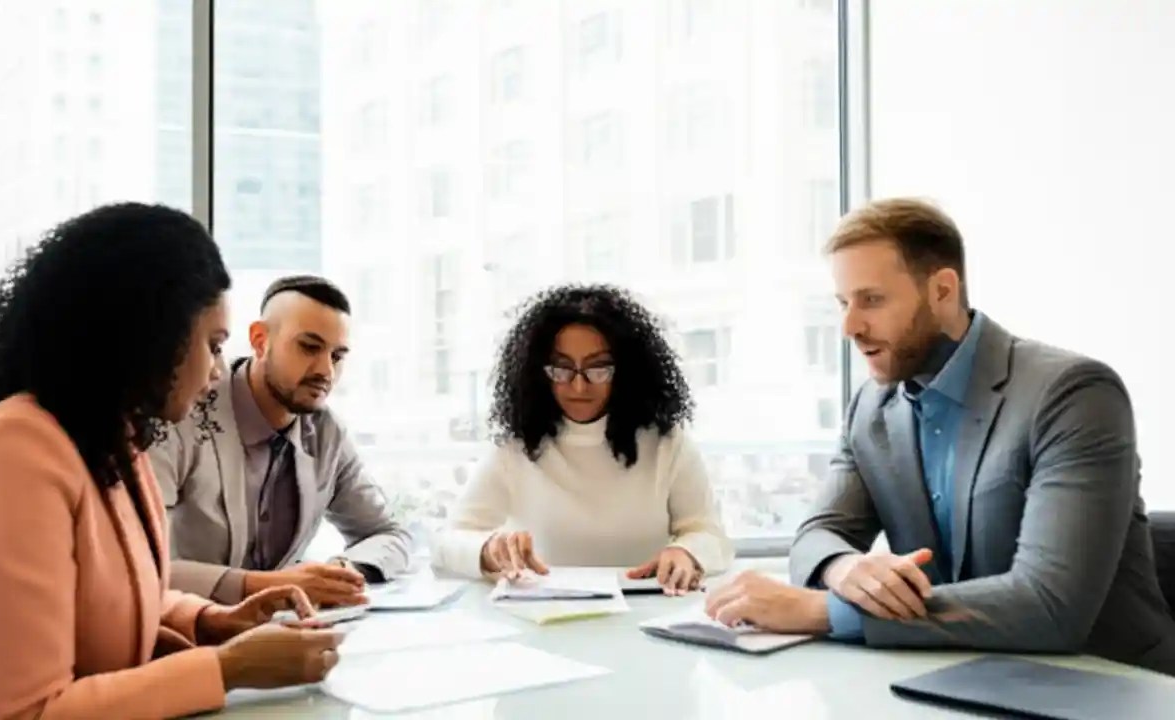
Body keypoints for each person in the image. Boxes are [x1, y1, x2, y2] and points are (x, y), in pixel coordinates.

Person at [0, 204, 347, 718]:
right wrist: (228, 668)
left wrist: (213, 621)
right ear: (150, 337)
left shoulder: (114, 444)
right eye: (214, 346)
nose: (220, 372)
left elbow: (113, 606)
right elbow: (31, 712)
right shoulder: (14, 454)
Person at [704, 198, 1175, 675]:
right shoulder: (871, 409)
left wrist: (823, 611)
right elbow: (817, 535)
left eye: (871, 300)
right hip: (962, 678)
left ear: (943, 291)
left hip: (1108, 686)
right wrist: (843, 569)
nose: (849, 327)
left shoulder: (1072, 394)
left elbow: (1050, 604)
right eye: (843, 304)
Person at [432, 284, 733, 593]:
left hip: (646, 619)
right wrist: (487, 548)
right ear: (538, 372)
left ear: (628, 371)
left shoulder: (667, 444)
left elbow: (710, 534)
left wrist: (687, 552)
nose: (578, 387)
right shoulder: (516, 450)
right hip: (545, 623)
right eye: (561, 369)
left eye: (598, 369)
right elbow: (445, 544)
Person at [150, 275, 412, 608]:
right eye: (309, 347)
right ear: (260, 341)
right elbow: (140, 565)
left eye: (337, 356)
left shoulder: (326, 433)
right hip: (182, 632)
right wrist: (266, 585)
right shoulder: (184, 412)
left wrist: (339, 572)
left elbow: (390, 534)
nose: (326, 372)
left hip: (283, 637)